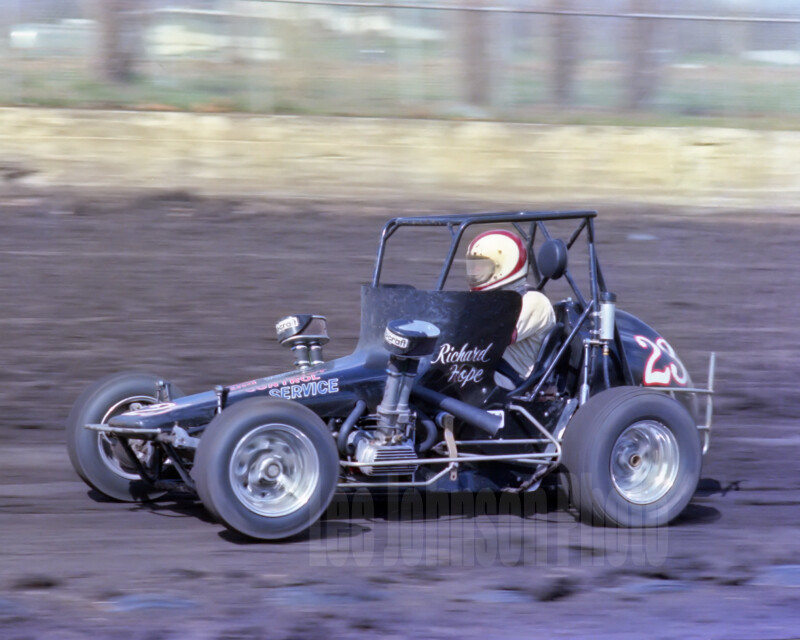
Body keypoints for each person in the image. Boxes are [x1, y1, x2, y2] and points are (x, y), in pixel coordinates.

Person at [465, 230, 555, 389]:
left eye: (482, 265)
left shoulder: (533, 301)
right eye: (473, 265)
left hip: (512, 379)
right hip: (482, 371)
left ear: (503, 267)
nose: (475, 271)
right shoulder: (485, 299)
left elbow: (489, 338)